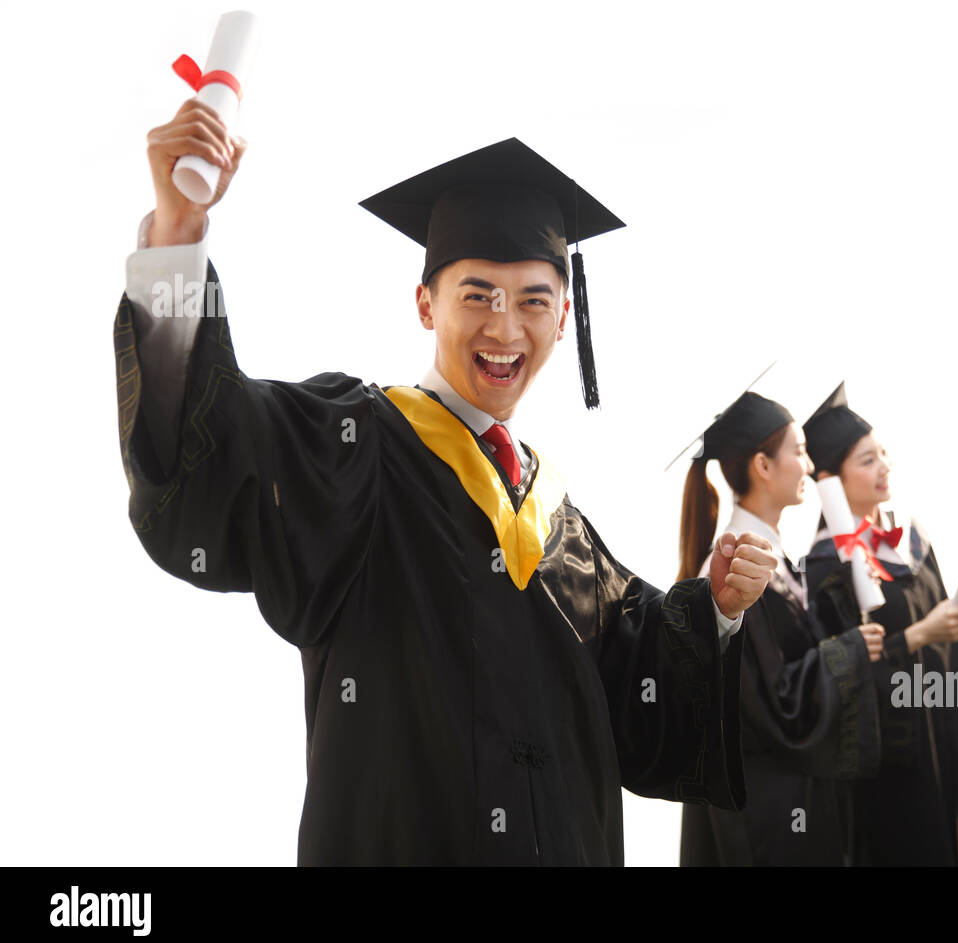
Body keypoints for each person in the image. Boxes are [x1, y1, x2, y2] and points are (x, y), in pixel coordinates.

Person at [114, 99, 778, 865]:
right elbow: (216, 448)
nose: (505, 328)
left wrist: (718, 612)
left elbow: (644, 703)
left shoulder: (564, 527)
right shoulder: (355, 444)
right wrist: (177, 232)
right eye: (477, 296)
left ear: (564, 320)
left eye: (534, 300)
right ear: (425, 303)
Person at [803, 384, 958, 865]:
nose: (884, 466)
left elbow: (953, 643)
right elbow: (844, 676)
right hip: (897, 753)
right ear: (829, 481)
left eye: (882, 453)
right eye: (867, 460)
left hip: (952, 720)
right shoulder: (825, 570)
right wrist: (921, 633)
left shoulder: (911, 541)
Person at [676, 391, 881, 866]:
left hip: (794, 802)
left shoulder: (774, 561)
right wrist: (849, 650)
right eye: (800, 451)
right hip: (765, 816)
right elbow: (774, 703)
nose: (810, 467)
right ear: (764, 466)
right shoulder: (732, 575)